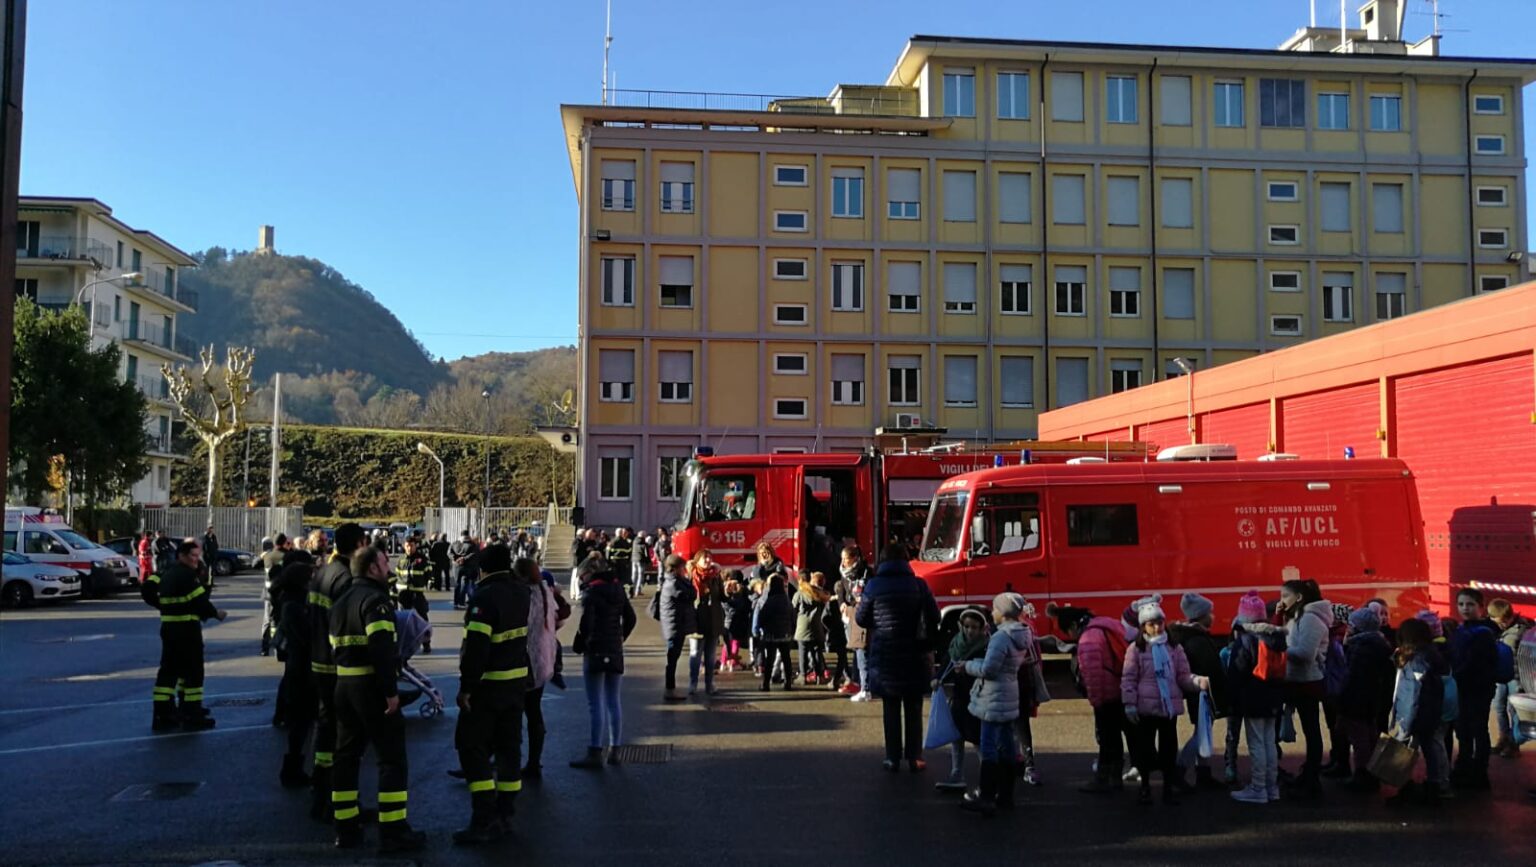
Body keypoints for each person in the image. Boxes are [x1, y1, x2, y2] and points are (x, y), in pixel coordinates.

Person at [329, 545, 425, 853]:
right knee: (391, 759)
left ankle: (345, 828)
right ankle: (393, 831)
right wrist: (390, 692)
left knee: (346, 757)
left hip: (344, 685)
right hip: (370, 687)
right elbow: (382, 650)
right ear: (372, 568)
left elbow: (333, 645)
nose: (389, 566)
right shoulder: (375, 601)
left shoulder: (341, 600)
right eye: (384, 562)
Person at [451, 545, 533, 846]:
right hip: (515, 684)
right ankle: (505, 814)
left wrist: (466, 687)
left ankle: (483, 818)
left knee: (472, 748)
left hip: (487, 687)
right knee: (509, 749)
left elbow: (476, 648)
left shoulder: (484, 597)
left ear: (483, 569)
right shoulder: (521, 592)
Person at [856, 544, 940, 773]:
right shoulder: (919, 585)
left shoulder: (874, 585)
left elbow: (861, 619)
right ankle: (915, 757)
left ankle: (892, 757)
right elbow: (934, 616)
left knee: (890, 707)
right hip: (915, 652)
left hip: (886, 654)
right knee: (913, 707)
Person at [307, 522, 369, 823]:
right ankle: (341, 804)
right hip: (338, 667)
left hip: (319, 661)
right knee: (345, 738)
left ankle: (320, 792)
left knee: (326, 730)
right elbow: (348, 626)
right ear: (358, 545)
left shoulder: (324, 572)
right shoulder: (346, 578)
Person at [1122, 601, 1209, 806]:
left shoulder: (1174, 647)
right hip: (1145, 709)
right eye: (1151, 624)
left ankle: (1168, 789)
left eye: (1160, 623)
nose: (1157, 627)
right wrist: (1129, 704)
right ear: (1143, 627)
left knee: (1169, 750)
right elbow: (1128, 679)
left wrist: (1197, 682)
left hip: (1168, 707)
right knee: (1145, 750)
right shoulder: (1135, 649)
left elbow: (1182, 675)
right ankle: (1145, 788)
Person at [1253, 578, 1332, 797]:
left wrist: (1279, 653)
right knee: (1307, 729)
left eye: (1285, 596)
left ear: (1299, 597)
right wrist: (1278, 616)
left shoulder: (1310, 619)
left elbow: (1305, 654)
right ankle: (1305, 776)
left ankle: (1311, 779)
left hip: (1306, 682)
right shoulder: (1298, 617)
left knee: (1311, 731)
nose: (1281, 600)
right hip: (1294, 681)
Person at [959, 593, 1037, 815]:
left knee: (989, 746)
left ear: (1003, 613)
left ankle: (986, 795)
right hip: (1009, 692)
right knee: (1007, 744)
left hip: (993, 697)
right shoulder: (1022, 634)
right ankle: (1005, 795)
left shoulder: (1001, 637)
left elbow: (990, 669)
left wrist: (967, 666)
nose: (992, 613)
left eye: (994, 609)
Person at [144, 540, 228, 732]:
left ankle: (164, 714)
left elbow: (147, 589)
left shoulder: (166, 572)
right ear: (181, 555)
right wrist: (216, 614)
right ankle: (192, 713)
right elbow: (200, 601)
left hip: (169, 628)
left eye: (198, 556)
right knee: (193, 672)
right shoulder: (187, 575)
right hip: (187, 630)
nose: (196, 559)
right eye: (193, 555)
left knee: (170, 671)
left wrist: (162, 605)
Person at [570, 556, 637, 769]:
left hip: (595, 648)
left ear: (589, 573)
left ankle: (595, 750)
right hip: (614, 648)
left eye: (582, 576)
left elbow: (586, 624)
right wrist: (621, 636)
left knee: (595, 702)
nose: (581, 580)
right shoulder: (618, 589)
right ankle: (615, 749)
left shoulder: (591, 593)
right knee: (613, 700)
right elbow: (631, 617)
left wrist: (579, 644)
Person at [1058, 604, 1132, 793]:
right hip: (1121, 687)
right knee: (1117, 735)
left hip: (1107, 694)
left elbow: (1092, 676)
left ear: (1073, 625)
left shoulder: (1088, 639)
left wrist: (1095, 700)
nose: (1070, 636)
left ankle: (1103, 779)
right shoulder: (1106, 624)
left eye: (1067, 631)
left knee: (1107, 738)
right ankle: (1116, 777)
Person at [1226, 591, 1285, 804]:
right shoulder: (1275, 637)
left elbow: (1236, 673)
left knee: (1257, 743)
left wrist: (1231, 699)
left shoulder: (1246, 640)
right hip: (1274, 696)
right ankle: (1271, 786)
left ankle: (1258, 788)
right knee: (1269, 742)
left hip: (1253, 697)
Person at [1387, 616, 1452, 806]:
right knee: (1430, 749)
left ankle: (1406, 789)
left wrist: (1404, 724)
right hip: (1430, 712)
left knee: (1406, 752)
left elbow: (1412, 695)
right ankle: (1434, 786)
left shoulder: (1415, 662)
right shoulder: (1431, 655)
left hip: (1415, 715)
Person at [1168, 592, 1228, 792]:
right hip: (1204, 694)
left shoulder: (1191, 638)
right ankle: (1180, 770)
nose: (1213, 616)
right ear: (1201, 615)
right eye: (1209, 613)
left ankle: (1203, 773)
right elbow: (1210, 669)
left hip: (1199, 694)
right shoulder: (1198, 641)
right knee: (1202, 734)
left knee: (1203, 732)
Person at [1336, 606, 1395, 792]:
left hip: (1357, 699)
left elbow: (1351, 676)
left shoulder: (1360, 647)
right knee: (1369, 734)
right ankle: (1371, 773)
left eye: (1351, 624)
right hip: (1371, 699)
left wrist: (1342, 698)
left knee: (1359, 738)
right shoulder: (1379, 644)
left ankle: (1363, 775)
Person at [522, 563, 570, 780]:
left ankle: (502, 758)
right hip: (542, 659)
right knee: (534, 712)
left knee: (510, 712)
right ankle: (534, 761)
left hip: (524, 660)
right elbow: (562, 612)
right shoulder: (546, 593)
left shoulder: (525, 595)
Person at [1448, 588, 1500, 791]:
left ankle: (1478, 771)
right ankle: (1465, 766)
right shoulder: (1463, 629)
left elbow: (1474, 663)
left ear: (1481, 607)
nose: (1465, 608)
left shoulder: (1483, 633)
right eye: (1461, 604)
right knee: (1463, 730)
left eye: (1470, 604)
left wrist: (1454, 675)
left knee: (1477, 729)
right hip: (1464, 688)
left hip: (1477, 689)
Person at [274, 550, 317, 788]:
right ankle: (292, 770)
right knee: (301, 724)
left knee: (302, 724)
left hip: (299, 669)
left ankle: (294, 768)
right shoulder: (294, 606)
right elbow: (307, 637)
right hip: (302, 671)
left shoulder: (292, 602)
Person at [936, 609, 989, 793]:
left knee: (977, 738)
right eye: (966, 626)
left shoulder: (986, 646)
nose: (969, 631)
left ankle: (988, 777)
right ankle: (956, 773)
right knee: (957, 735)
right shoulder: (956, 643)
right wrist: (938, 678)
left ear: (982, 628)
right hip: (959, 695)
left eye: (974, 627)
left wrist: (967, 668)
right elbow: (947, 662)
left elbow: (987, 669)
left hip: (977, 696)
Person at [1488, 598, 1531, 758]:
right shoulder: (1495, 628)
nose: (1498, 624)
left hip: (1516, 675)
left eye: (1500, 621)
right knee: (1499, 706)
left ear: (1507, 617)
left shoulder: (1523, 629)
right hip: (1500, 674)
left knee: (1514, 709)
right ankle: (1503, 738)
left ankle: (1513, 743)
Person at [657, 554, 697, 702]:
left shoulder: (674, 581)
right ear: (675, 568)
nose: (684, 570)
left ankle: (670, 688)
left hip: (675, 624)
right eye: (682, 567)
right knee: (672, 659)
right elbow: (690, 595)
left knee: (673, 658)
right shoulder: (673, 584)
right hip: (674, 626)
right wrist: (690, 579)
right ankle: (669, 689)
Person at [836, 547, 871, 699]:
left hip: (861, 612)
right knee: (855, 648)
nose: (843, 562)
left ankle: (864, 686)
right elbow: (841, 589)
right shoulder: (843, 573)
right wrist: (842, 602)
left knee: (861, 648)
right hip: (848, 613)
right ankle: (856, 681)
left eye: (846, 559)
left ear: (855, 558)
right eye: (842, 558)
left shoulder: (866, 572)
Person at [753, 572, 797, 692]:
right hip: (785, 633)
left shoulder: (770, 600)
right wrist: (791, 629)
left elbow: (762, 616)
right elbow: (793, 616)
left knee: (770, 660)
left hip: (771, 634)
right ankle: (788, 683)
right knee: (786, 658)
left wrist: (761, 628)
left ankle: (766, 683)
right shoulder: (786, 600)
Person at [691, 563, 725, 697]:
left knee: (710, 656)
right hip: (697, 621)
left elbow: (722, 597)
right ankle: (693, 684)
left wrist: (728, 592)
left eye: (709, 558)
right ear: (697, 561)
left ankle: (709, 684)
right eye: (704, 557)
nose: (707, 560)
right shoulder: (692, 576)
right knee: (695, 654)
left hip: (713, 620)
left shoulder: (716, 577)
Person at [394, 537, 433, 653]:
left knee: (422, 619)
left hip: (417, 593)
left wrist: (427, 582)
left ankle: (426, 643)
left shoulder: (422, 559)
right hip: (403, 594)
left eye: (411, 545)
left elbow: (428, 573)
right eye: (407, 546)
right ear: (404, 546)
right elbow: (397, 575)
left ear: (415, 546)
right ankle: (403, 645)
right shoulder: (401, 560)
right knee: (403, 621)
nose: (409, 548)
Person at [792, 572, 830, 686]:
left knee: (803, 652)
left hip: (802, 627)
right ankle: (820, 676)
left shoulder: (799, 594)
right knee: (817, 652)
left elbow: (793, 610)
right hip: (817, 626)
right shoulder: (819, 594)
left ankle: (803, 676)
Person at [721, 575, 752, 672]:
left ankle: (723, 662)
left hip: (727, 622)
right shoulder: (741, 599)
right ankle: (733, 663)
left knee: (727, 643)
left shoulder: (726, 600)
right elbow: (746, 607)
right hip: (739, 623)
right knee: (735, 642)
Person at [450, 531, 479, 609]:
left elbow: (449, 552)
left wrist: (454, 559)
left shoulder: (455, 543)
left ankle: (456, 602)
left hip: (456, 566)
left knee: (457, 584)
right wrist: (464, 558)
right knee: (464, 584)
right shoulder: (471, 544)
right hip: (467, 566)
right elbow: (474, 554)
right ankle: (461, 602)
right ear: (468, 535)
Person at [605, 528, 635, 597]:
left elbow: (607, 553)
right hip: (624, 563)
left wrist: (608, 562)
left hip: (614, 563)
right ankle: (630, 592)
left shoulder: (612, 542)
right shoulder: (626, 542)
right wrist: (627, 562)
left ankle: (617, 592)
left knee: (616, 578)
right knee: (625, 578)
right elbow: (629, 553)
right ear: (621, 534)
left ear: (616, 533)